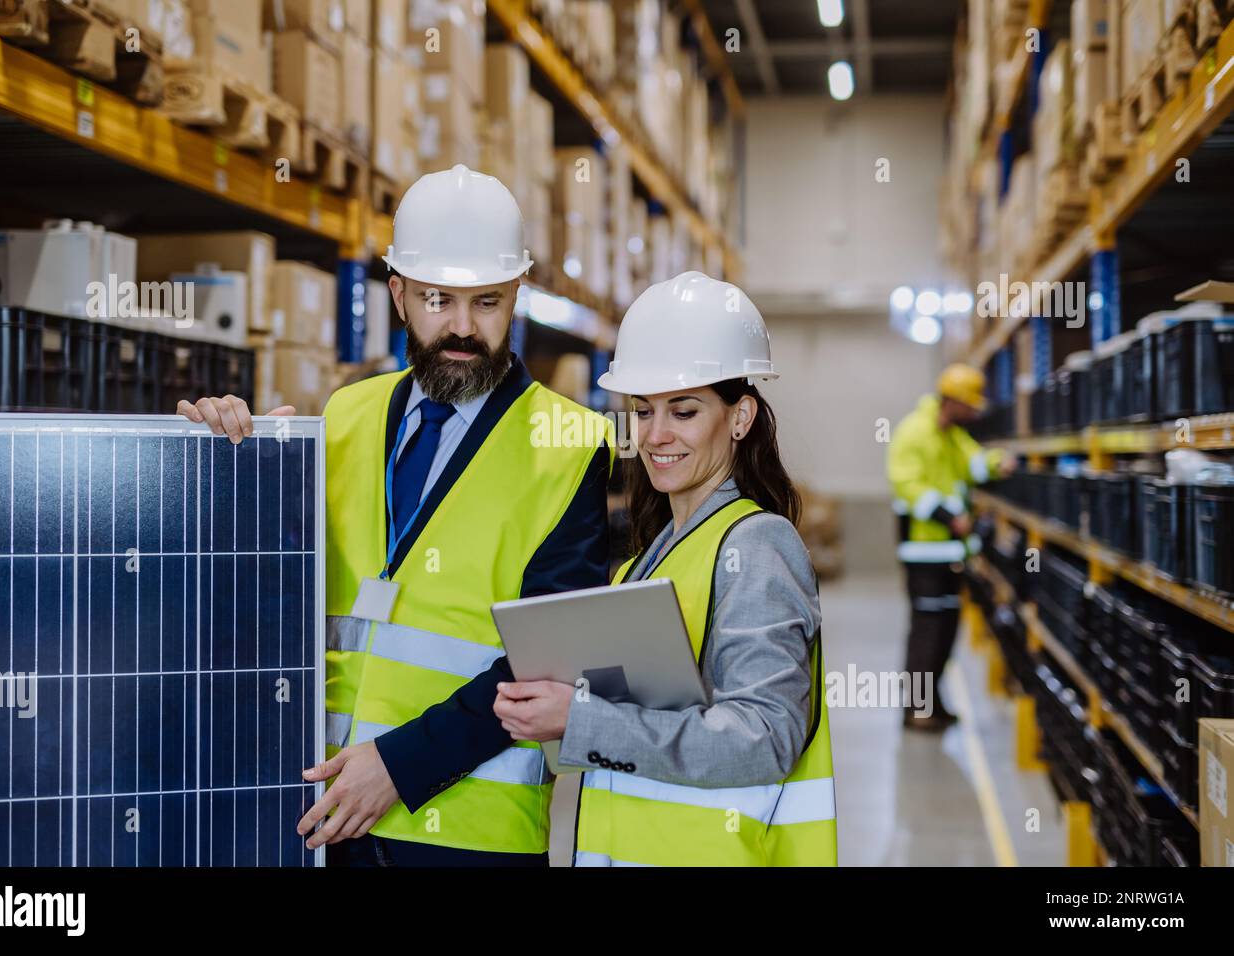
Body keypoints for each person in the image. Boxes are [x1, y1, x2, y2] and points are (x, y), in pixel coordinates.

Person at [178, 164, 613, 866]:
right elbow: (272, 582)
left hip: (470, 831)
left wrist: (398, 766)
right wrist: (222, 462)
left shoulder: (570, 444)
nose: (464, 327)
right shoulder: (346, 414)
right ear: (399, 295)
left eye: (489, 302)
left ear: (517, 297)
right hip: (318, 808)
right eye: (440, 299)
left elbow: (548, 659)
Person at [492, 271, 837, 867]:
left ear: (740, 416)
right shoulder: (645, 564)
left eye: (683, 411)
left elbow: (765, 738)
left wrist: (582, 722)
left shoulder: (756, 547)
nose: (656, 436)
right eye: (643, 411)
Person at [886, 364, 1012, 732]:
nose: (974, 413)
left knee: (945, 630)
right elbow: (905, 484)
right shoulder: (915, 432)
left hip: (950, 554)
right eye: (969, 405)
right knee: (926, 631)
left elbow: (972, 462)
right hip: (923, 554)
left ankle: (934, 703)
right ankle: (917, 709)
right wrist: (947, 516)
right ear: (952, 401)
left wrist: (996, 462)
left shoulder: (951, 435)